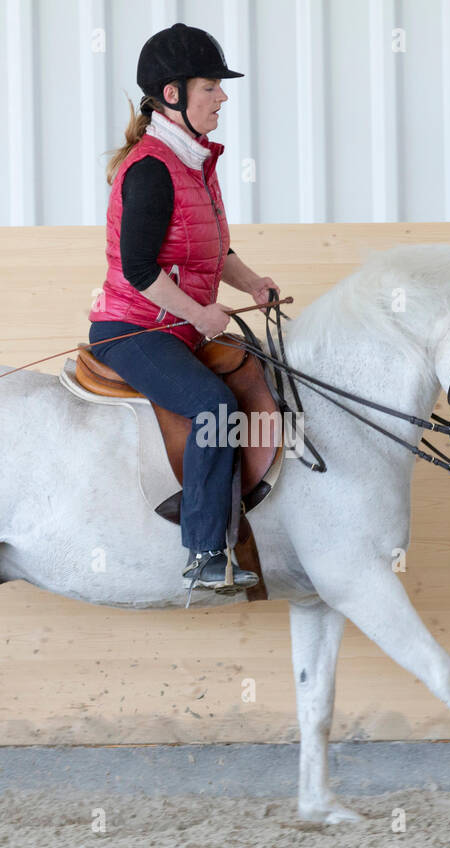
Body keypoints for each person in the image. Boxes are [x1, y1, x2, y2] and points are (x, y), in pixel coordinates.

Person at [91, 23, 279, 595]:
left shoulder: (195, 162)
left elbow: (212, 250)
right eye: (210, 87)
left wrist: (251, 283)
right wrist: (200, 314)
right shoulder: (152, 168)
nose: (222, 97)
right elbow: (140, 269)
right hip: (132, 329)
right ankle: (204, 553)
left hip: (176, 328)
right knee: (211, 407)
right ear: (173, 95)